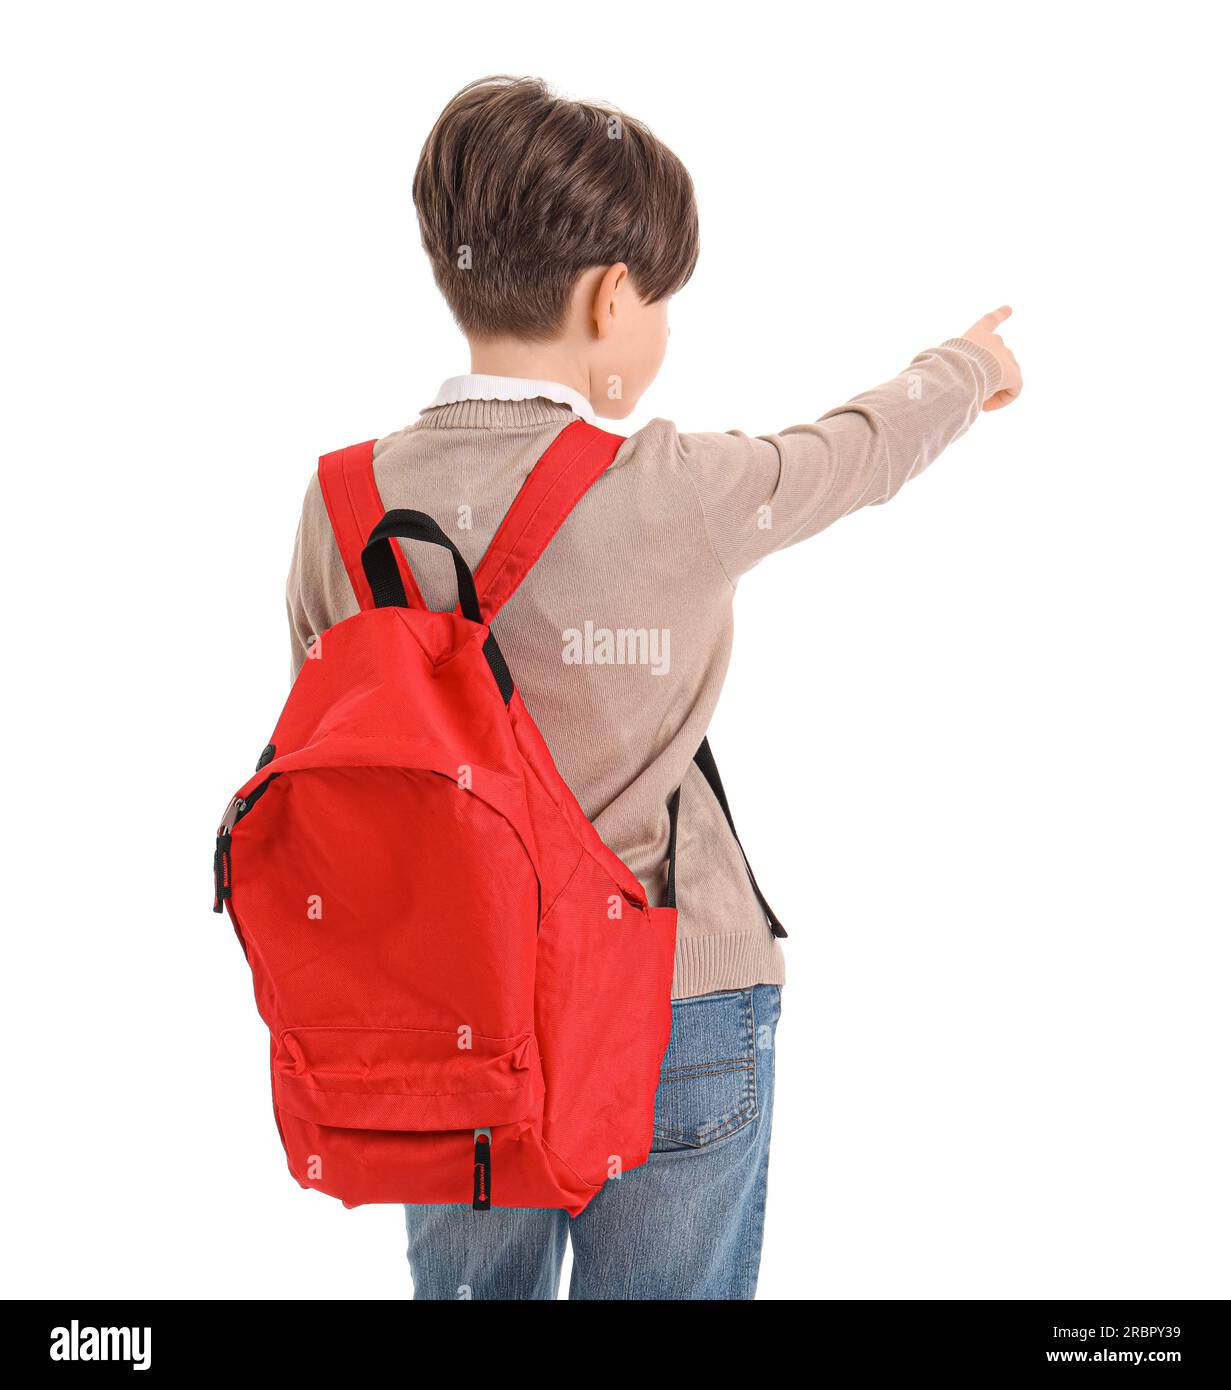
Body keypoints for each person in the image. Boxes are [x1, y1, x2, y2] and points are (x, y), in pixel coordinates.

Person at [286, 75, 1021, 1300]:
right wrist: (970, 365)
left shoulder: (342, 501)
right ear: (610, 295)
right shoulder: (675, 485)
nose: (664, 330)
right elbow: (858, 451)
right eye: (661, 300)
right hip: (670, 1000)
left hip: (443, 1019)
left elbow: (349, 749)